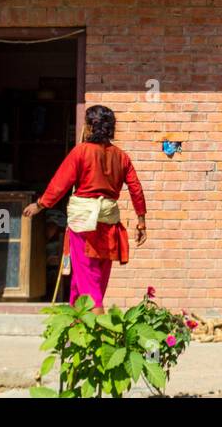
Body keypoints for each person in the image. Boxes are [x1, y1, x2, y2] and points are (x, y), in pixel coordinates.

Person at [23, 104, 146, 312]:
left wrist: (40, 205)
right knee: (87, 282)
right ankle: (76, 337)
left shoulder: (81, 152)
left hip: (84, 226)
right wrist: (141, 221)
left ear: (89, 127)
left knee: (90, 287)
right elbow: (136, 188)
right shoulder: (121, 156)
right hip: (109, 225)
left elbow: (59, 184)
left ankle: (103, 336)